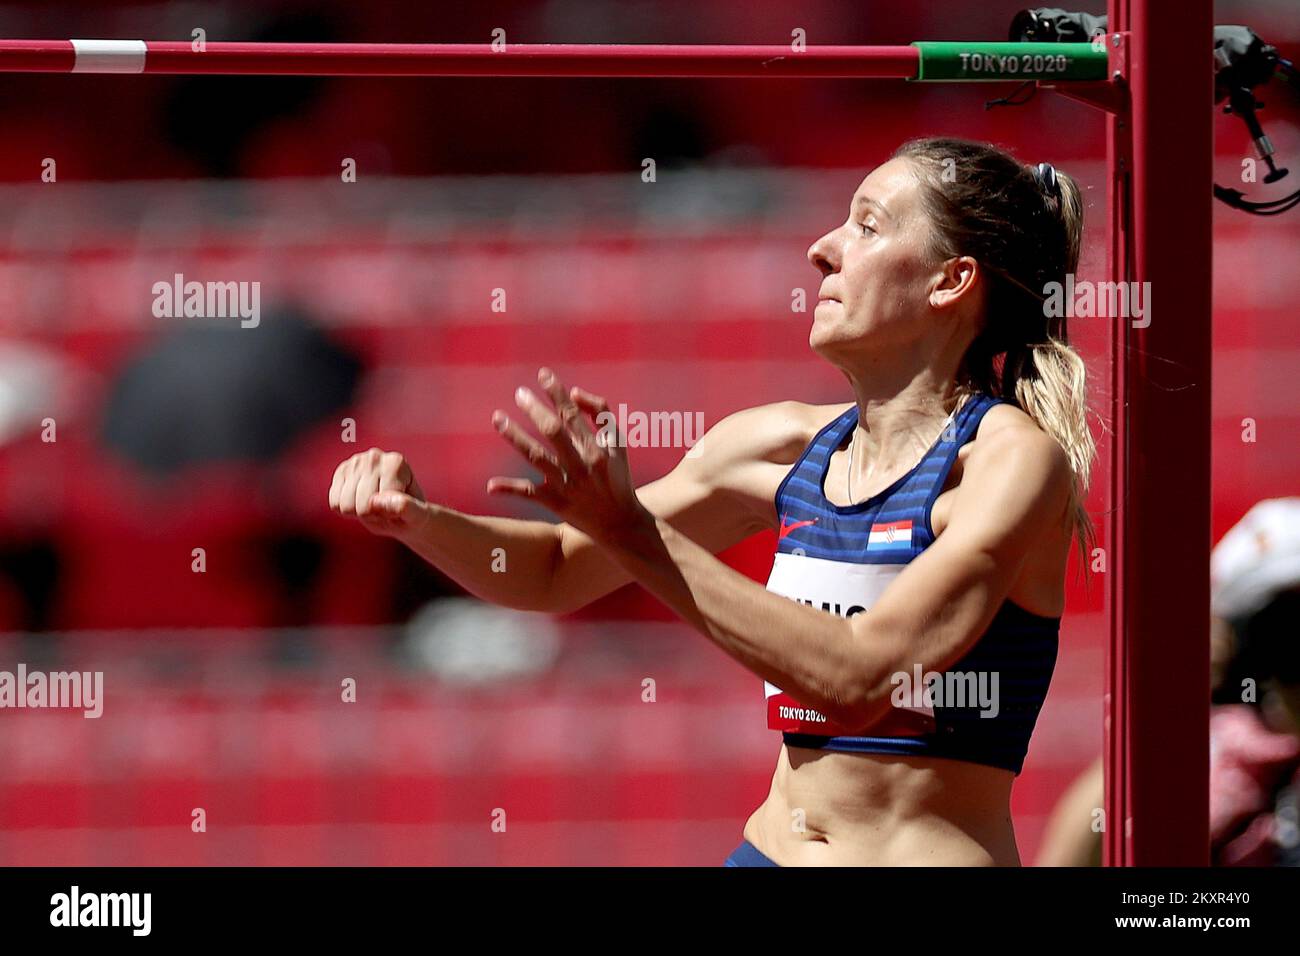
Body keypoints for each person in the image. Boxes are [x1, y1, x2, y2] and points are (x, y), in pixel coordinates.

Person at [329, 136, 1095, 866]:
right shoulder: (772, 448)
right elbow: (555, 570)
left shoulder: (1007, 461)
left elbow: (865, 679)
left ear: (951, 280)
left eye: (867, 225)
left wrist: (635, 532)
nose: (821, 249)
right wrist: (419, 524)